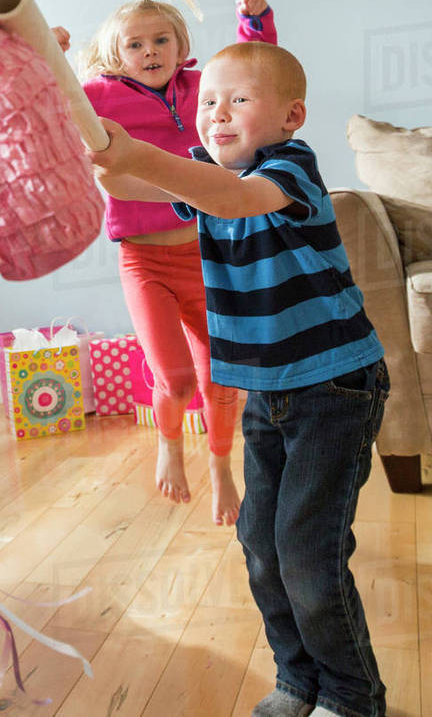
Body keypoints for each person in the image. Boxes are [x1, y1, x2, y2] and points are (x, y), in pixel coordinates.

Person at [89, 41, 388, 717]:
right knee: (260, 543)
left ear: (291, 116)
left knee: (308, 554)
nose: (217, 112)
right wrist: (105, 155)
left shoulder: (291, 169)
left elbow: (231, 200)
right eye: (210, 102)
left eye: (239, 100)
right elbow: (131, 184)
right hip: (268, 391)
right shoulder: (204, 173)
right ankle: (297, 681)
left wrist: (137, 156)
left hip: (335, 388)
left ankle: (351, 697)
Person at [78, 0, 278, 525]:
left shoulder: (201, 87)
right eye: (135, 45)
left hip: (209, 257)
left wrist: (254, 25)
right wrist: (41, 58)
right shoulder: (99, 96)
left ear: (180, 42)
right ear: (116, 55)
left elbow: (254, 77)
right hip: (144, 263)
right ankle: (168, 442)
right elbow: (56, 112)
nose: (149, 53)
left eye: (160, 40)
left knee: (221, 379)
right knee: (176, 378)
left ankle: (219, 465)